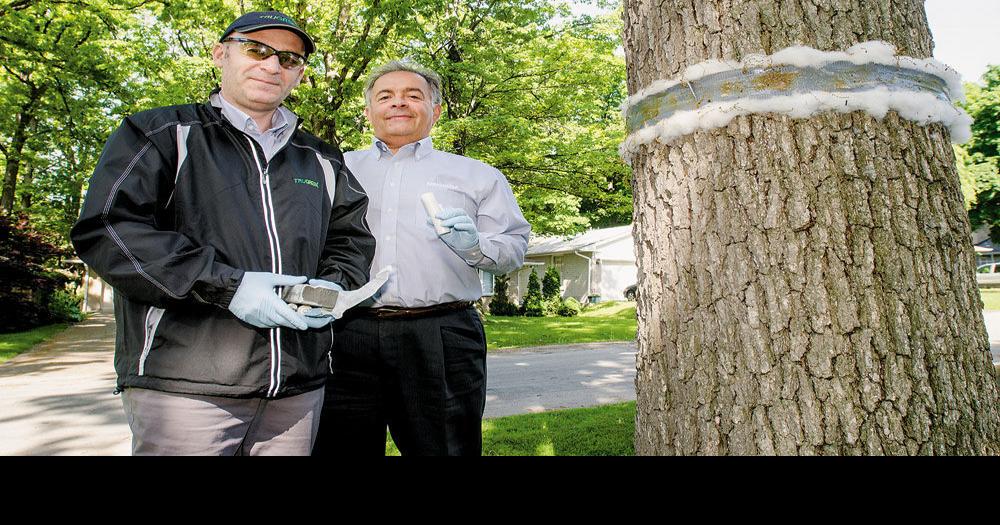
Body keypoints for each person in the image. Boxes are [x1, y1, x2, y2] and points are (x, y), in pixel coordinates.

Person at [70, 11, 376, 456]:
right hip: (186, 387)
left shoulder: (321, 158)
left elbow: (351, 239)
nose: (273, 66)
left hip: (297, 388)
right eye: (257, 50)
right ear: (221, 54)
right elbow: (109, 228)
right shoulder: (160, 133)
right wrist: (228, 287)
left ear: (299, 74)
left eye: (289, 60)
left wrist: (332, 289)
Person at [312, 61, 531, 456]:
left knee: (446, 448)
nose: (399, 104)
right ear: (368, 111)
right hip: (345, 334)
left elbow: (513, 249)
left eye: (413, 96)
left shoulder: (478, 175)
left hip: (441, 335)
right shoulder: (333, 169)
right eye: (386, 96)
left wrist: (473, 245)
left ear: (436, 110)